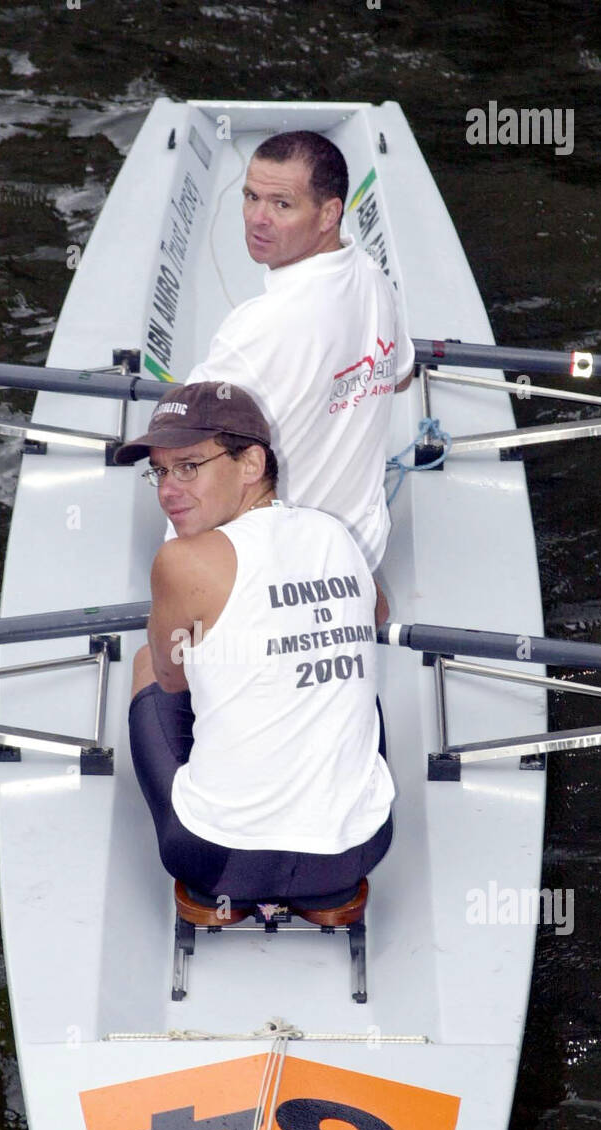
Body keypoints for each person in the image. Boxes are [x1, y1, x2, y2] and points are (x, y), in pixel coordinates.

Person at [117, 381, 394, 903]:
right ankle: (325, 896)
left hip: (219, 862)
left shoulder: (181, 560)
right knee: (342, 662)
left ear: (251, 463)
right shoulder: (332, 533)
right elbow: (377, 613)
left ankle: (221, 891)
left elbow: (173, 677)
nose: (167, 489)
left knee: (147, 666)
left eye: (189, 466)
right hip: (357, 850)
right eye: (159, 470)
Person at [183, 129, 414, 574]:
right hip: (360, 552)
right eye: (251, 197)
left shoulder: (254, 330)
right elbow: (401, 376)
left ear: (330, 214)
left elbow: (185, 448)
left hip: (278, 570)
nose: (257, 218)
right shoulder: (372, 278)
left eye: (281, 204)